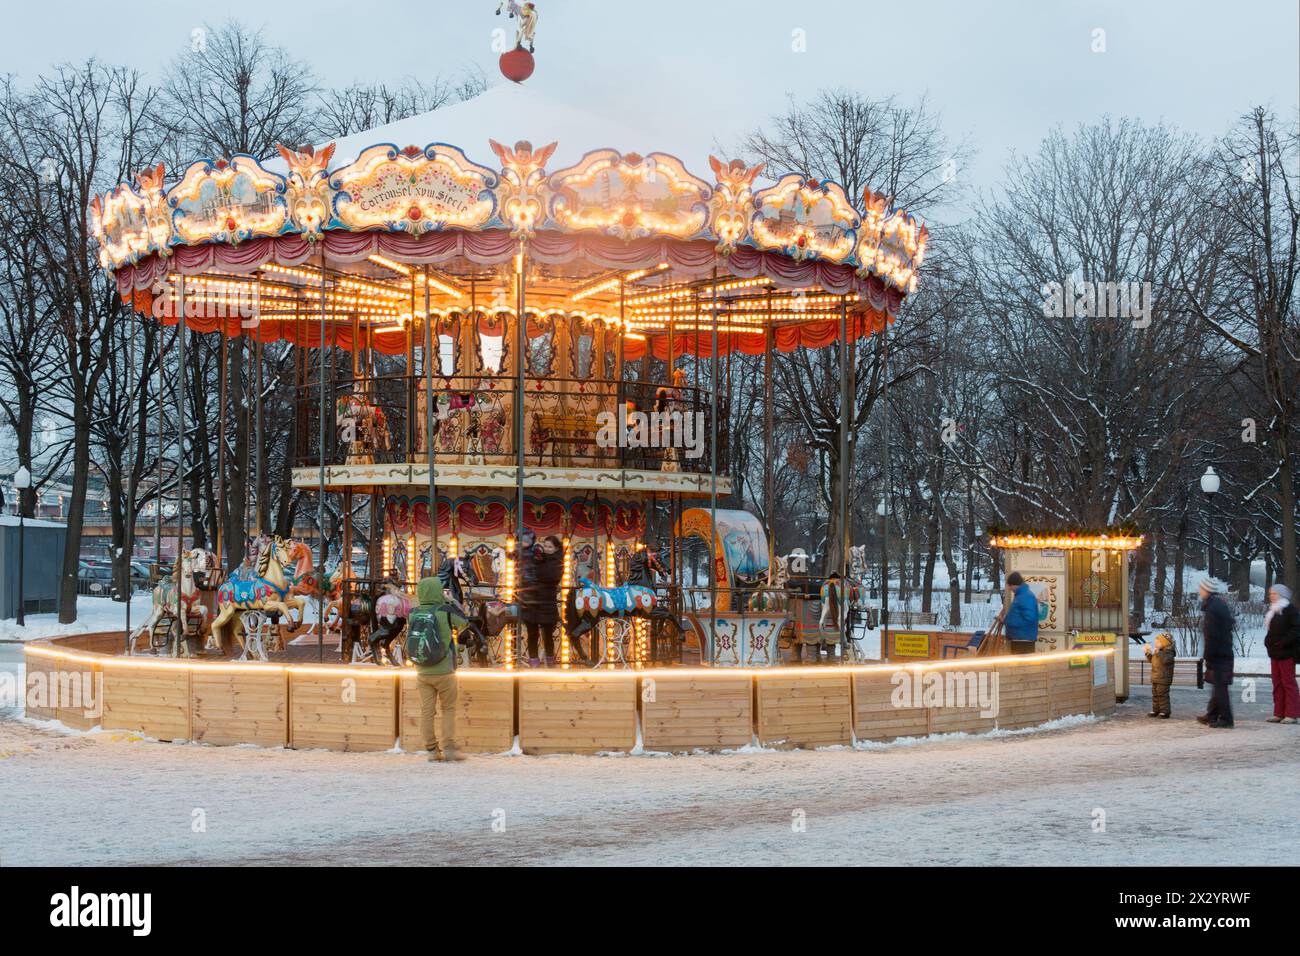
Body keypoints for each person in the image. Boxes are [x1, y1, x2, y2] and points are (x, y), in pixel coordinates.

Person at [408, 575, 470, 761]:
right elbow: (464, 622)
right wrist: (451, 601)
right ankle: (449, 748)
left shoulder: (413, 612)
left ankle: (431, 751)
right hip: (444, 670)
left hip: (422, 670)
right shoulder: (445, 611)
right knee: (448, 708)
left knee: (427, 711)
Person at [517, 531, 565, 667]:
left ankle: (550, 661)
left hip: (547, 602)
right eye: (545, 546)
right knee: (532, 634)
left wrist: (536, 572)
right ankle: (534, 662)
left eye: (550, 547)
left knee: (548, 635)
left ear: (556, 548)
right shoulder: (538, 558)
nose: (547, 549)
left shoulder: (557, 563)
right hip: (532, 601)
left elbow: (552, 577)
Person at [1196, 576, 1235, 729]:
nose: (1200, 591)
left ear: (1207, 590)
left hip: (1219, 653)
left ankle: (1226, 718)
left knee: (1220, 685)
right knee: (1217, 684)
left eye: (1201, 588)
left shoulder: (1213, 607)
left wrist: (1209, 655)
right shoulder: (1216, 604)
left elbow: (1212, 634)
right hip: (1222, 651)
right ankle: (1212, 714)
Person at [1263, 583, 1299, 724]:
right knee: (1277, 683)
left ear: (1282, 595)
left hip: (1287, 653)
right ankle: (1279, 712)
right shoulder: (1273, 611)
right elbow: (1272, 631)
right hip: (1275, 653)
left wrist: (1283, 642)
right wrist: (1268, 641)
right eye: (1271, 594)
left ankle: (1292, 713)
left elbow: (1296, 630)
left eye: (1274, 594)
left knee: (1288, 683)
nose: (1271, 596)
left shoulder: (1289, 610)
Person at [997, 572, 1039, 654]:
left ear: (1015, 584)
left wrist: (1007, 622)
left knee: (1021, 666)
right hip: (1020, 637)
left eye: (1010, 585)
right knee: (1018, 665)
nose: (1009, 588)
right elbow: (1018, 615)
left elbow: (1030, 618)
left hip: (1023, 640)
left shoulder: (1025, 596)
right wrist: (1005, 621)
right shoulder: (1021, 595)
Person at [1143, 631, 1175, 718]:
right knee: (1155, 695)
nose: (1156, 643)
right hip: (1155, 677)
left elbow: (1166, 660)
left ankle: (1165, 711)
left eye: (1158, 642)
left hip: (1164, 678)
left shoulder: (1169, 652)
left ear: (1165, 643)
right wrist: (1147, 653)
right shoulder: (1159, 651)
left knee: (1162, 695)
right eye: (1156, 642)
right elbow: (1152, 660)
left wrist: (1158, 653)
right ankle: (1156, 710)